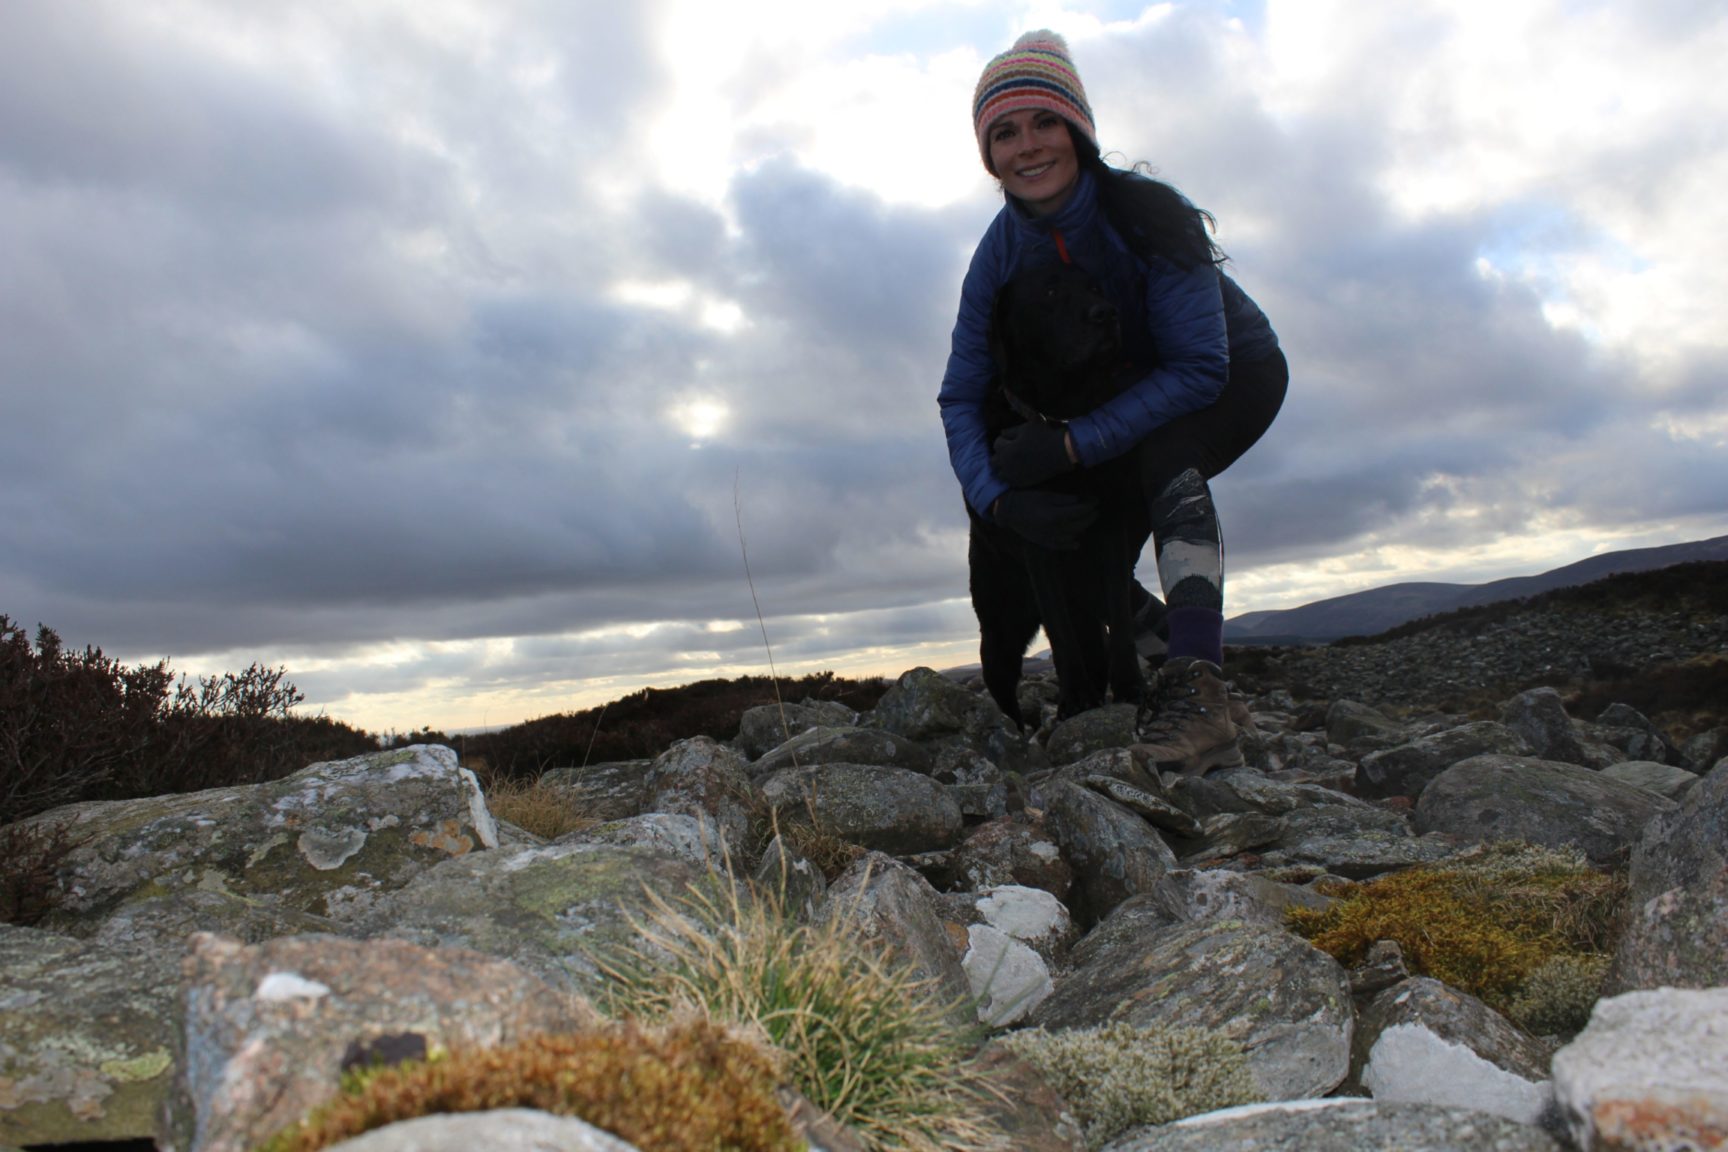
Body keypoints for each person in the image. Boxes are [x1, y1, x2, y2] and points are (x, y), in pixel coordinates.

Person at [938, 29, 1288, 774]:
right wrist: (997, 501)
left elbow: (1200, 369)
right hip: (1120, 403)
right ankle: (1150, 633)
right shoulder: (998, 254)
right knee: (1068, 511)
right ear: (988, 155)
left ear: (1079, 130)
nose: (1027, 146)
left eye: (1044, 122)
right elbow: (960, 396)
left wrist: (1069, 445)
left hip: (1236, 378)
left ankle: (1199, 691)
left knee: (1164, 457)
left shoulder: (1149, 218)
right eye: (1004, 132)